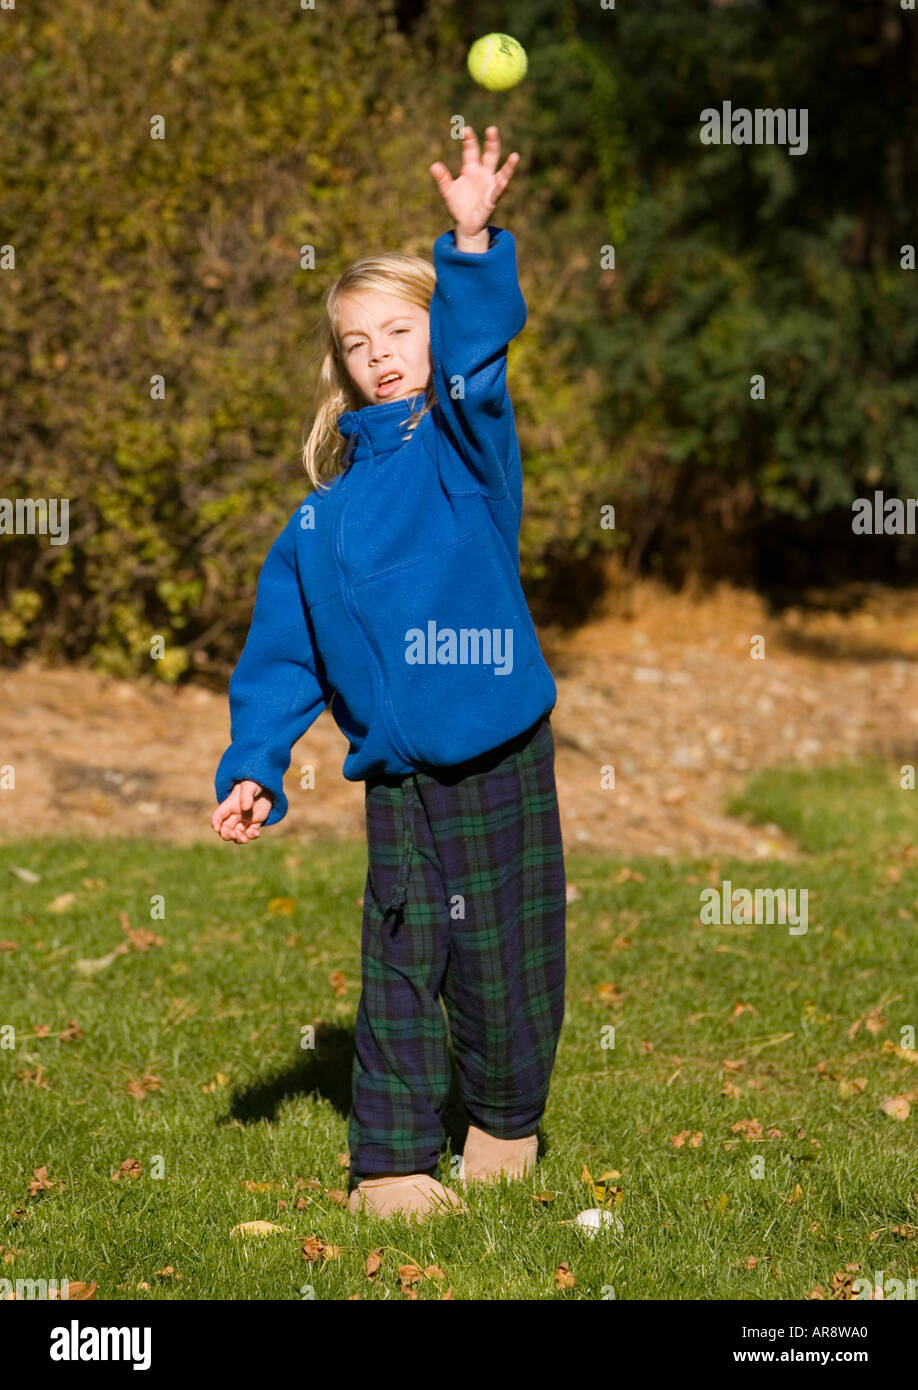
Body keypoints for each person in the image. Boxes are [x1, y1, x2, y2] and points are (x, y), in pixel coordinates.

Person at [211, 125, 566, 1222]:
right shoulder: (317, 523)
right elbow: (284, 654)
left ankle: (505, 1121)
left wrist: (468, 242)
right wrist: (256, 761)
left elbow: (475, 357)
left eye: (400, 329)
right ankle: (392, 1165)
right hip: (399, 780)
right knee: (405, 958)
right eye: (358, 342)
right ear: (340, 366)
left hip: (501, 748)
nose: (381, 353)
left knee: (506, 960)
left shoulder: (467, 447)